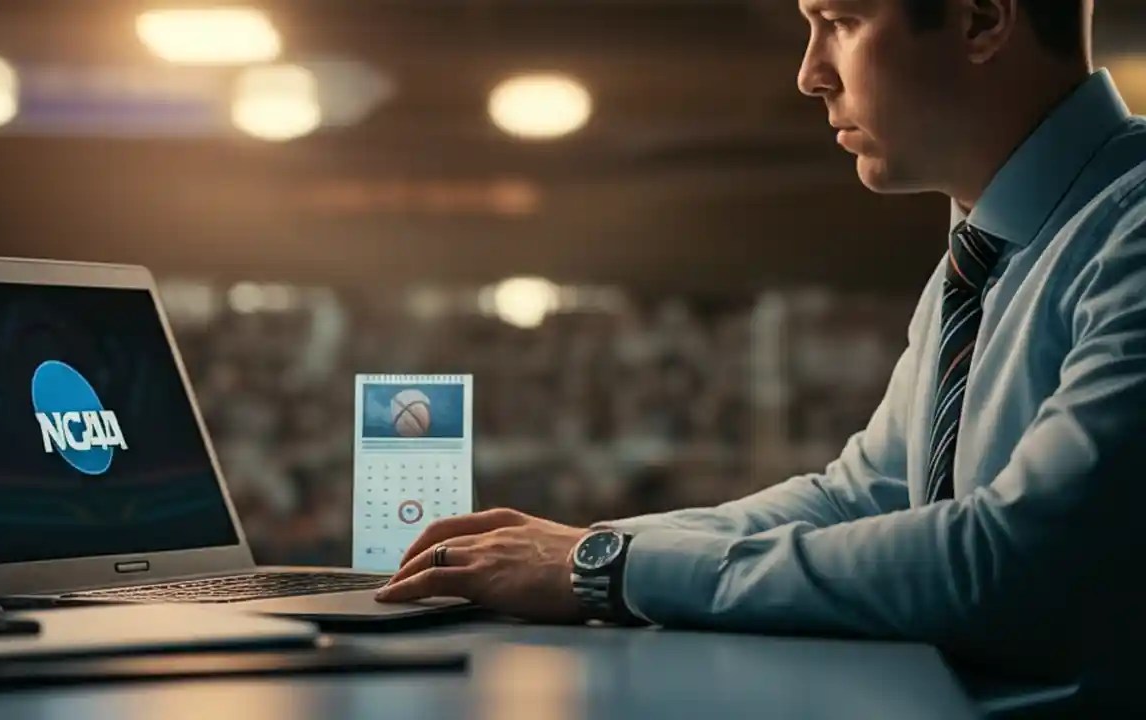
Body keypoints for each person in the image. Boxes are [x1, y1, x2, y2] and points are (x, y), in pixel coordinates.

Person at [377, 0, 1146, 699]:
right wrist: (587, 549)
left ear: (981, 18)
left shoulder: (1132, 230)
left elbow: (1014, 566)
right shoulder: (987, 249)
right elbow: (861, 495)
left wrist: (607, 570)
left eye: (839, 21)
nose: (810, 74)